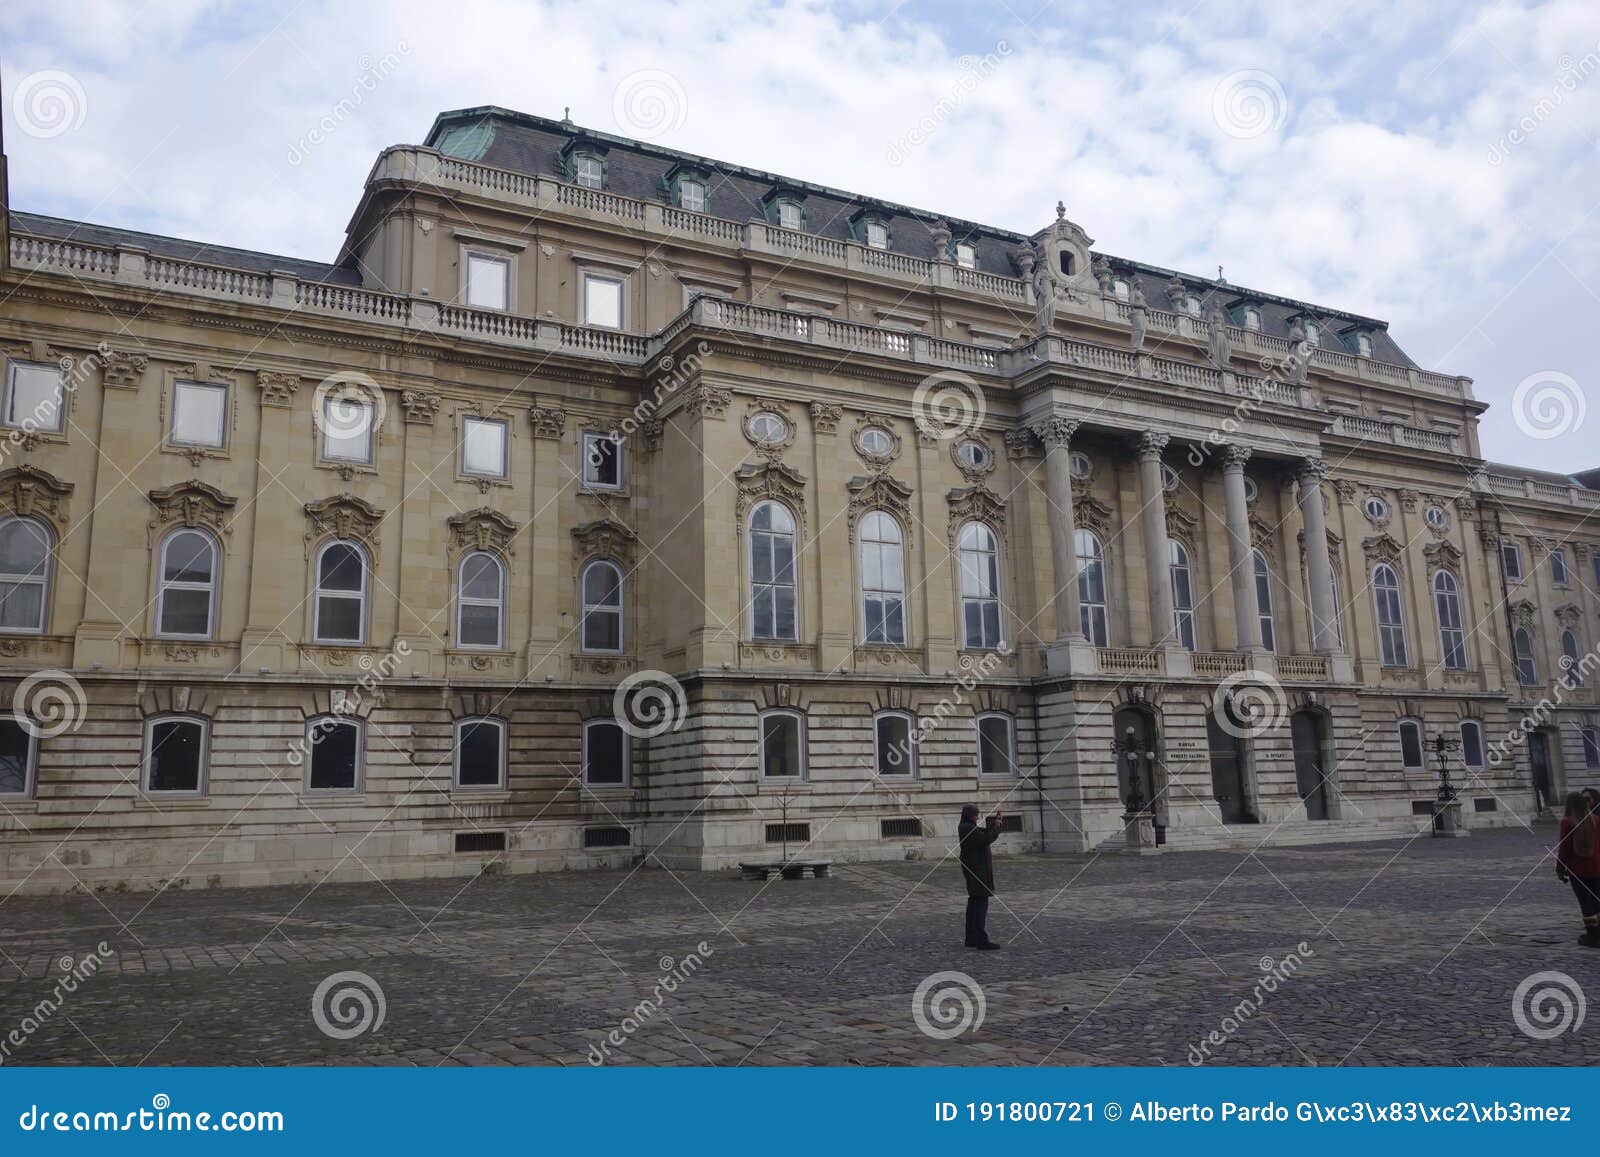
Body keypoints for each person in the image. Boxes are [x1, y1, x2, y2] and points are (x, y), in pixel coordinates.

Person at [1555, 791, 1600, 947]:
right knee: (1597, 901)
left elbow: (1564, 848)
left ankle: (1592, 935)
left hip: (1578, 869)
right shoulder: (1596, 820)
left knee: (1585, 903)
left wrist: (1560, 868)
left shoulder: (1567, 822)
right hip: (1597, 867)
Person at [958, 803, 1003, 950]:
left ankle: (971, 938)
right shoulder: (967, 828)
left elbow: (983, 832)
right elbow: (986, 839)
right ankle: (981, 940)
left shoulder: (966, 826)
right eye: (976, 815)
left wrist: (995, 824)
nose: (977, 817)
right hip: (977, 871)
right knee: (980, 905)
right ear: (972, 816)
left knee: (974, 903)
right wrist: (996, 827)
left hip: (976, 870)